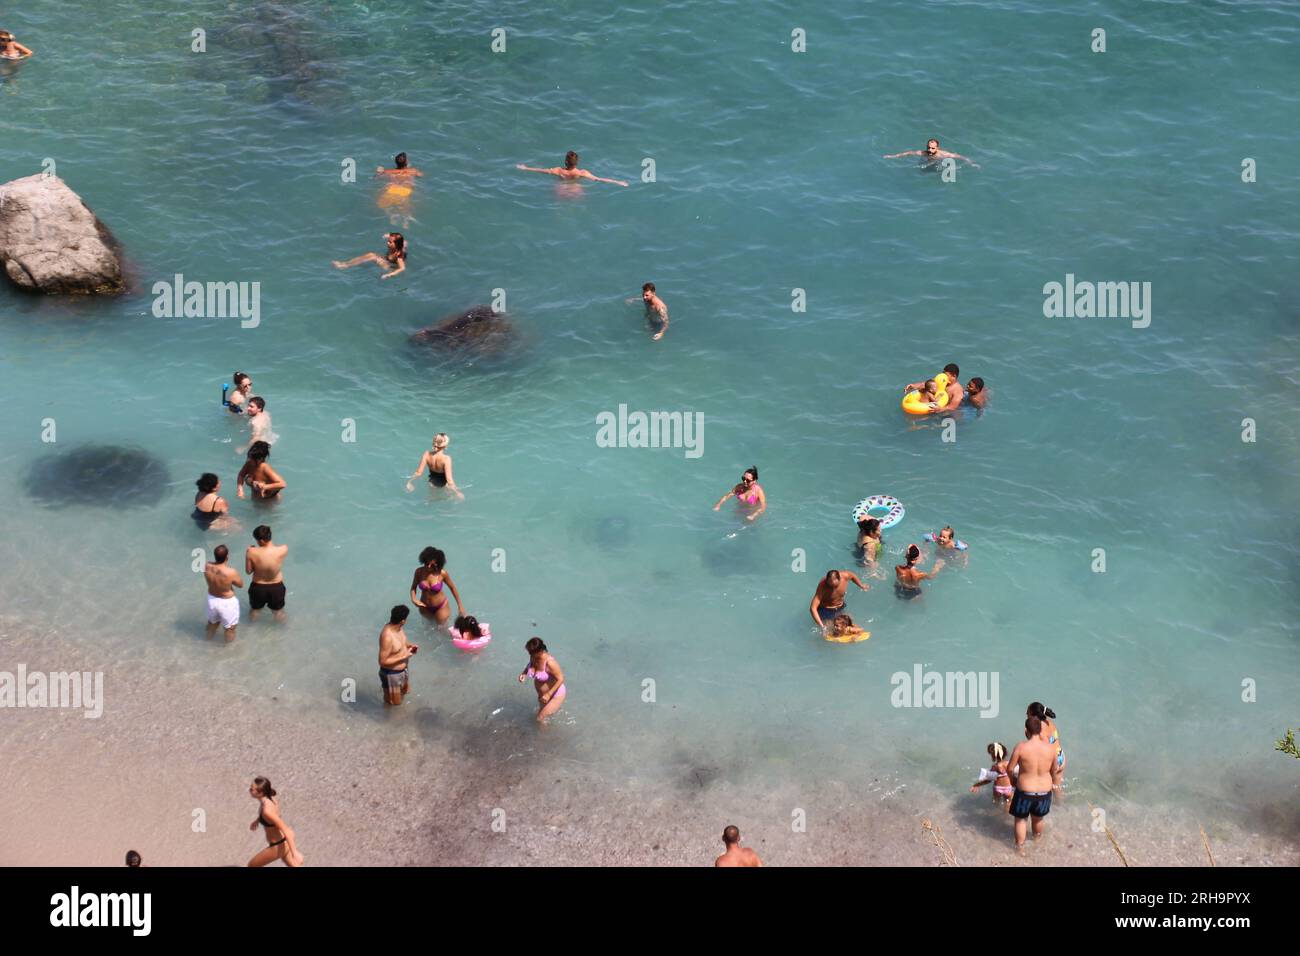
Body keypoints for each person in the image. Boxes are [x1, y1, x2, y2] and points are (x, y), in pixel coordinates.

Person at [1005, 716, 1058, 850]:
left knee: (1021, 820)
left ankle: (1020, 849)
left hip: (1025, 791)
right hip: (1044, 792)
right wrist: (1050, 780)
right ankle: (1036, 842)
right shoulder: (1051, 748)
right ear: (1041, 731)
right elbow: (1055, 769)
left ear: (1025, 731)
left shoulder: (1021, 747)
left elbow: (1010, 768)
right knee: (1038, 818)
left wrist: (1013, 781)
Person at [247, 777, 304, 867]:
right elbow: (272, 817)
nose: (249, 790)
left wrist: (295, 853)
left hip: (278, 846)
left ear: (260, 793)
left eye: (251, 789)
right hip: (284, 842)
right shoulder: (270, 799)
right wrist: (258, 820)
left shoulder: (267, 811)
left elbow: (287, 830)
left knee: (252, 865)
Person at [409, 546, 465, 626]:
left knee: (442, 631)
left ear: (437, 563)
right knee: (428, 628)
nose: (428, 567)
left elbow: (452, 588)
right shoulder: (419, 572)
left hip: (441, 607)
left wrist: (460, 606)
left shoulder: (442, 573)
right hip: (424, 607)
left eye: (431, 565)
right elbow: (413, 587)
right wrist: (414, 599)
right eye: (426, 563)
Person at [245, 525, 288, 621]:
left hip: (258, 587)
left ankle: (250, 628)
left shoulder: (251, 552)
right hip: (277, 587)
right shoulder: (283, 549)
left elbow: (248, 571)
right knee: (278, 612)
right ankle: (283, 629)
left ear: (261, 541)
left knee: (255, 611)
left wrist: (248, 552)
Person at [516, 150, 628, 186]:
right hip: (576, 191)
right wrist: (618, 182)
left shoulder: (558, 170)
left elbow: (541, 171)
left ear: (565, 161)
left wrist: (526, 168)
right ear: (577, 162)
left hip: (561, 190)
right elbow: (599, 179)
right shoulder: (582, 173)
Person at [519, 637, 566, 722]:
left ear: (540, 651)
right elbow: (530, 665)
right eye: (529, 652)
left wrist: (548, 694)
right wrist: (524, 673)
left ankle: (545, 735)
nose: (530, 654)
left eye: (532, 652)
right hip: (543, 695)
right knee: (541, 717)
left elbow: (561, 678)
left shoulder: (550, 663)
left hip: (555, 694)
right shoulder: (533, 656)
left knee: (540, 719)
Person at [204, 545, 244, 642]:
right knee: (230, 628)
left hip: (212, 600)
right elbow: (240, 585)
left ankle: (206, 641)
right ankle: (228, 651)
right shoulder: (231, 572)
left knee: (212, 624)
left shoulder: (206, 566)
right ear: (227, 557)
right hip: (227, 603)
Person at [379, 605, 417, 706]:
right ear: (403, 621)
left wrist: (410, 646)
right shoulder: (387, 637)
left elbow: (402, 643)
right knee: (395, 704)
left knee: (404, 693)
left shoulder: (399, 628)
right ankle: (388, 719)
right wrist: (404, 657)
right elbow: (382, 662)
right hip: (392, 674)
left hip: (403, 670)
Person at [405, 433, 463, 499]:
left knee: (432, 499)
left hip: (431, 482)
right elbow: (449, 480)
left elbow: (418, 472)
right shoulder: (446, 459)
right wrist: (457, 492)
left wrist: (409, 482)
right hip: (443, 485)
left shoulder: (426, 454)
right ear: (445, 446)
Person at [333, 232, 406, 279]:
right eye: (388, 241)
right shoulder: (398, 245)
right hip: (387, 259)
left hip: (390, 268)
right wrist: (388, 235)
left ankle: (345, 266)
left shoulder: (399, 255)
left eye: (390, 242)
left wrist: (389, 275)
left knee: (373, 256)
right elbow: (395, 237)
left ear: (396, 245)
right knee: (371, 254)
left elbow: (402, 268)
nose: (387, 243)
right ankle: (346, 264)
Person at [1028, 701, 1066, 783]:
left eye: (1027, 713)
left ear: (1033, 715)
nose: (1026, 714)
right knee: (1056, 787)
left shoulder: (1039, 728)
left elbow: (1045, 747)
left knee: (1048, 786)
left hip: (1054, 760)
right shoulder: (1049, 722)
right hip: (1061, 756)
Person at [969, 742, 1014, 811]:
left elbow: (989, 780)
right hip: (1008, 788)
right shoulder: (1009, 764)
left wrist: (977, 785)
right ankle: (1005, 817)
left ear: (993, 756)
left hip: (997, 789)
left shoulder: (994, 767)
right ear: (1005, 753)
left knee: (996, 803)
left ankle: (995, 815)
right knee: (1008, 803)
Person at [884, 137, 978, 168]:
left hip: (939, 162)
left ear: (937, 148)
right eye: (928, 147)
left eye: (933, 148)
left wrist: (972, 163)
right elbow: (908, 153)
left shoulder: (944, 154)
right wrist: (893, 156)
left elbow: (961, 157)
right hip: (927, 162)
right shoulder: (923, 153)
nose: (930, 150)